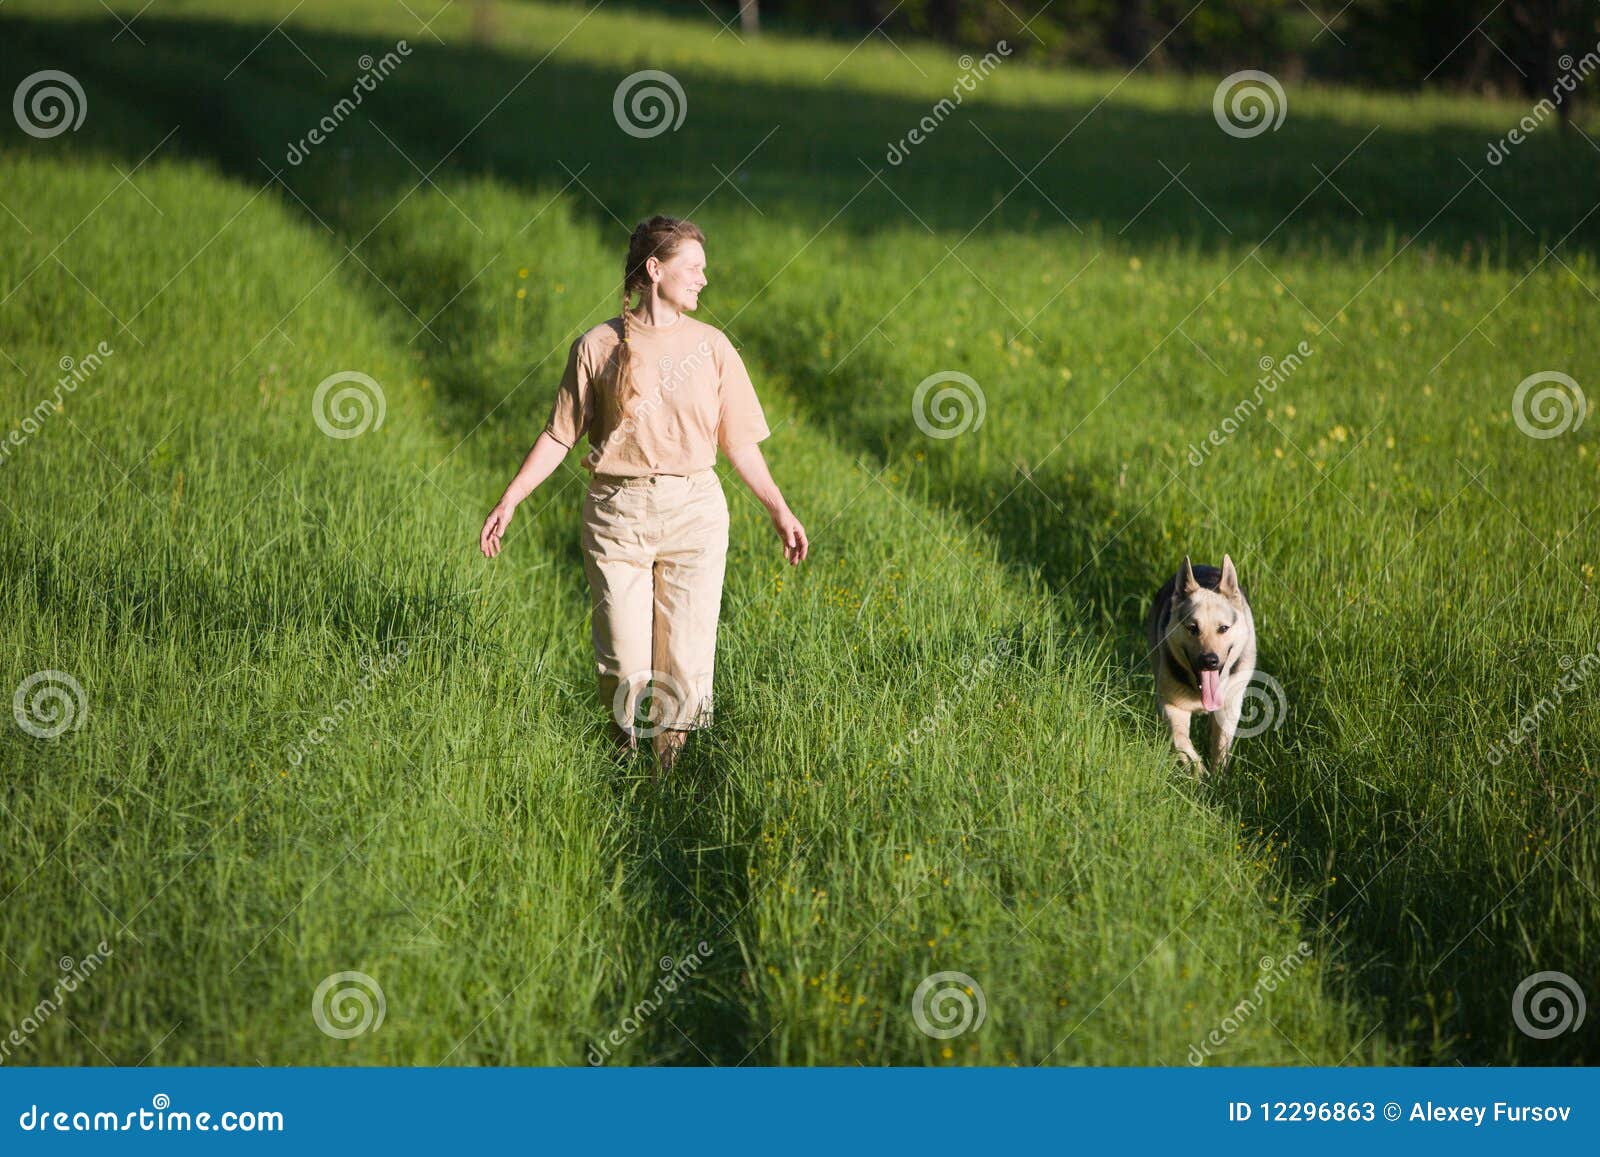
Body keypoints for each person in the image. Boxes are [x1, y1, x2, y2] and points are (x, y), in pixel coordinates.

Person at [479, 215, 808, 774]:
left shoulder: (713, 348)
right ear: (655, 270)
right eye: (694, 267)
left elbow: (740, 444)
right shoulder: (598, 345)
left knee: (685, 659)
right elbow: (561, 434)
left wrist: (778, 508)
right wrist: (510, 500)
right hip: (616, 515)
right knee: (623, 663)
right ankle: (624, 758)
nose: (705, 278)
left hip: (695, 513)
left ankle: (667, 779)